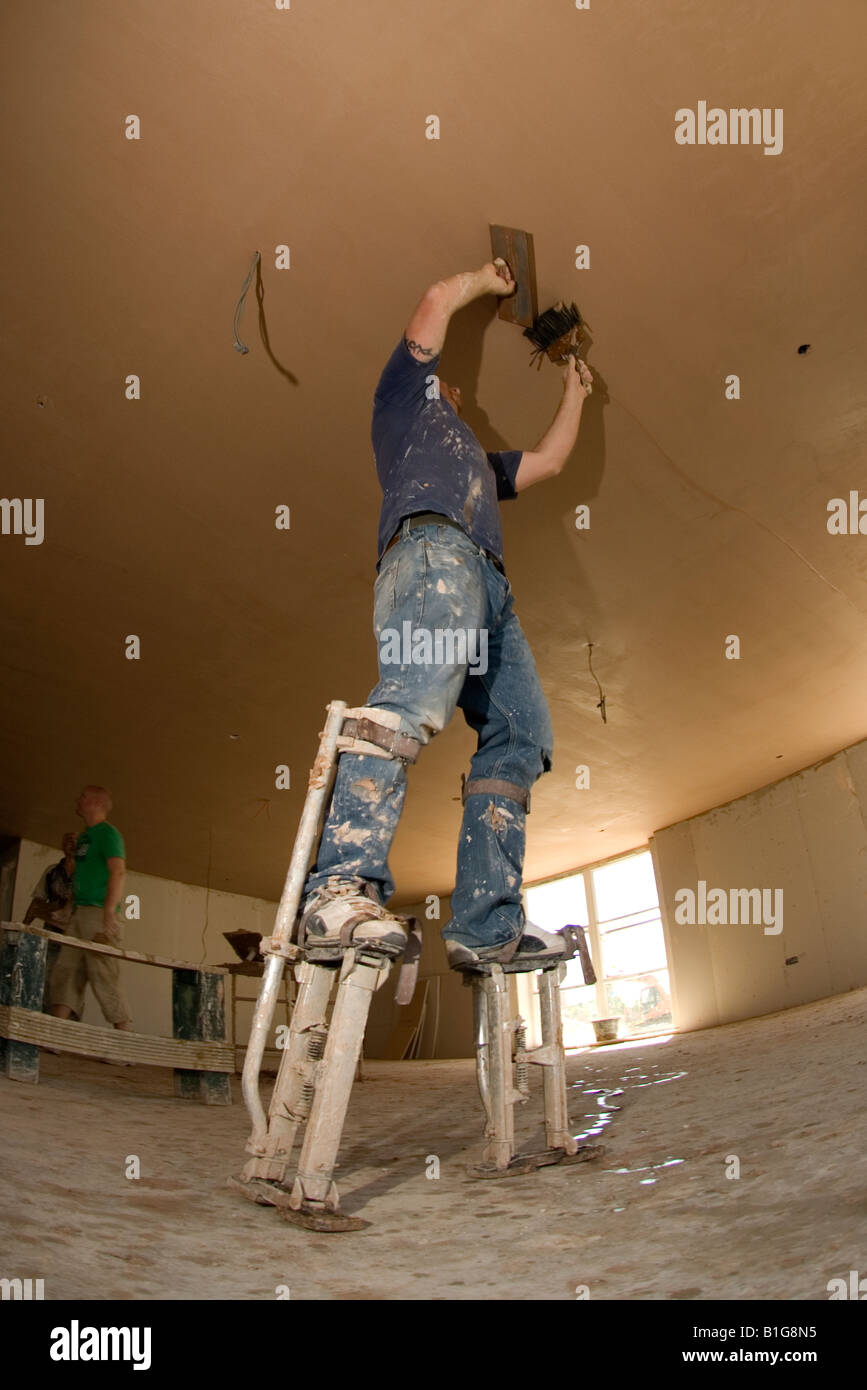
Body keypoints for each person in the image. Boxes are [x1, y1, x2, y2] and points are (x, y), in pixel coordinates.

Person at [299, 258, 593, 971]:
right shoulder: (402, 407)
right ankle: (339, 887)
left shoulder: (480, 465)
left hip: (488, 584)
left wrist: (576, 389)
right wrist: (489, 282)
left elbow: (550, 461)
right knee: (413, 696)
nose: (454, 391)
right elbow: (434, 301)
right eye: (448, 385)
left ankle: (485, 925)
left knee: (521, 733)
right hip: (430, 550)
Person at [48, 786, 132, 1030]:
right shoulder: (86, 836)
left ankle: (124, 1045)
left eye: (82, 796)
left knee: (104, 975)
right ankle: (55, 1036)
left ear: (95, 802)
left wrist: (109, 911)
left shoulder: (108, 834)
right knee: (66, 972)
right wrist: (68, 907)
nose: (78, 799)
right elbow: (82, 876)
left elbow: (118, 871)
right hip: (80, 913)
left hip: (98, 914)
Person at [24, 832, 78, 1009]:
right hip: (52, 935)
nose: (71, 843)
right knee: (46, 977)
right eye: (67, 840)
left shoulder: (86, 874)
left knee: (70, 985)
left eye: (75, 840)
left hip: (75, 938)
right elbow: (37, 901)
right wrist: (24, 927)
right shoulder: (52, 872)